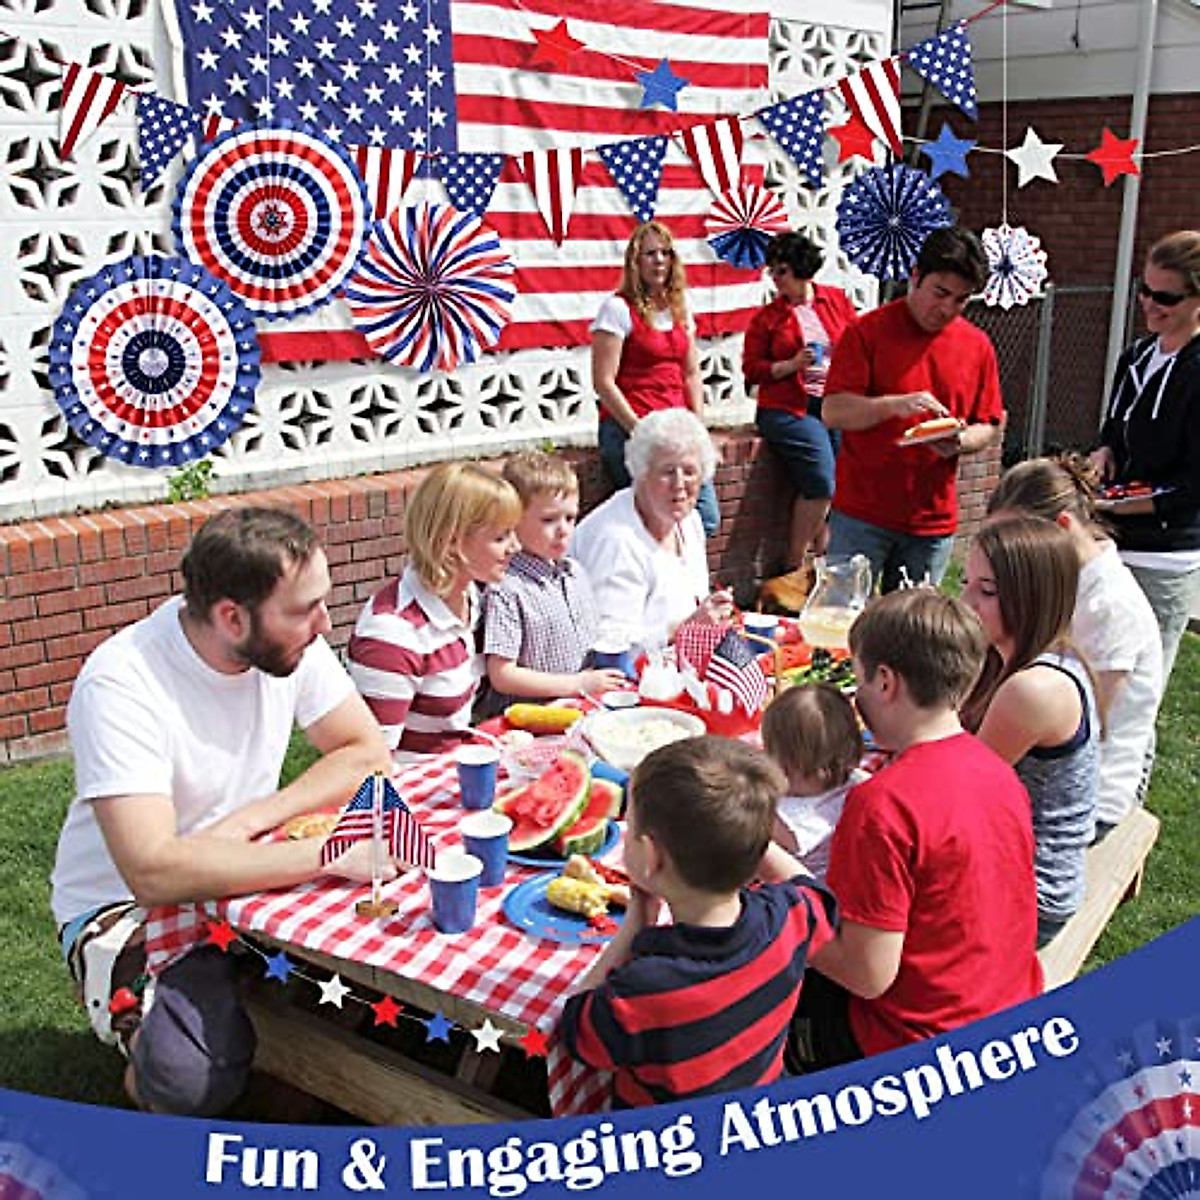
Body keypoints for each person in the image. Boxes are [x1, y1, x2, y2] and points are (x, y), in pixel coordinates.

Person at [50, 507, 392, 1115]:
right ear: (232, 617)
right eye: (304, 609)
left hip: (248, 875)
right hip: (125, 909)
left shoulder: (289, 643)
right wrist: (329, 854)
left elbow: (367, 751)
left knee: (384, 991)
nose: (324, 623)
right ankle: (153, 1070)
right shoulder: (122, 682)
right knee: (190, 1080)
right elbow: (152, 872)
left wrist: (258, 816)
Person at [780, 588, 1041, 1071]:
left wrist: (772, 864)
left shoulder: (882, 804)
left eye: (857, 678)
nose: (854, 697)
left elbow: (866, 975)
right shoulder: (999, 771)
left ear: (885, 682)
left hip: (910, 1049)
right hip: (1006, 1014)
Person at [558, 736, 836, 1108]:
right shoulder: (788, 919)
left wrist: (635, 926)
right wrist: (744, 831)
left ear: (652, 856)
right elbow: (812, 889)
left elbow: (575, 1030)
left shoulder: (644, 990)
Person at [822, 226, 1005, 593]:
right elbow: (834, 411)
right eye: (940, 293)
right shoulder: (866, 331)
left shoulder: (977, 345)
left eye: (961, 300)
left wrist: (962, 441)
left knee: (914, 638)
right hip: (862, 511)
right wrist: (895, 405)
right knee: (841, 625)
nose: (947, 309)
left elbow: (989, 422)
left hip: (931, 520)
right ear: (915, 276)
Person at [988, 455, 1163, 834]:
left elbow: (1086, 728)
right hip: (1036, 763)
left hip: (1083, 804)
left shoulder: (1109, 609)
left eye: (1019, 543)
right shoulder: (1064, 578)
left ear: (1063, 527)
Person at [961, 515, 1100, 946]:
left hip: (1031, 897)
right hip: (1009, 865)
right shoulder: (1019, 659)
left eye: (985, 591)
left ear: (1030, 598)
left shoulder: (1034, 690)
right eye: (966, 582)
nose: (964, 601)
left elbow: (952, 793)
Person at [348, 463, 521, 763]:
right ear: (452, 541)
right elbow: (371, 764)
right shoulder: (392, 635)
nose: (516, 547)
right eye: (500, 537)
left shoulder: (470, 597)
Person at [1090, 229, 1200, 686]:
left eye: (1166, 297)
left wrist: (1118, 506)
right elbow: (1113, 431)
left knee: (1137, 689)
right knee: (1098, 673)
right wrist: (1103, 453)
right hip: (1114, 541)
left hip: (1165, 553)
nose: (1150, 304)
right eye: (1144, 290)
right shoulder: (1135, 356)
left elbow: (1194, 484)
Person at [591, 220, 720, 537]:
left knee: (705, 518)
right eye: (649, 254)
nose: (659, 260)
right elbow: (603, 381)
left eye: (665, 253)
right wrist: (640, 431)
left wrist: (698, 427)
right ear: (635, 262)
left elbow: (690, 373)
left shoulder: (679, 309)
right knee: (658, 521)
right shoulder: (617, 309)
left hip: (675, 428)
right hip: (631, 427)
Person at [476, 450, 626, 718]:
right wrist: (575, 684)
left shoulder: (575, 572)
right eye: (549, 519)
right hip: (529, 718)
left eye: (570, 518)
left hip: (581, 708)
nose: (563, 530)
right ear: (513, 519)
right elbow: (501, 674)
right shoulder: (507, 588)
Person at [572, 409, 731, 656]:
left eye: (689, 471)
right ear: (641, 474)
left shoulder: (689, 521)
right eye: (667, 471)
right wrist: (687, 629)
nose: (680, 484)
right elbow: (611, 647)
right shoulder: (616, 540)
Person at [743, 232, 858, 572]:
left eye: (782, 271)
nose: (775, 279)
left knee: (842, 485)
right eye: (772, 271)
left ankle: (825, 566)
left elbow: (856, 341)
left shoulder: (834, 301)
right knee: (822, 481)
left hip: (832, 403)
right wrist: (791, 365)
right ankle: (793, 567)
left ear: (802, 270)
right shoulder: (768, 318)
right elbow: (752, 369)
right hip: (787, 406)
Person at [760, 683, 865, 884]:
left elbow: (753, 830)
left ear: (787, 765)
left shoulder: (791, 821)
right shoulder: (856, 781)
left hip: (805, 896)